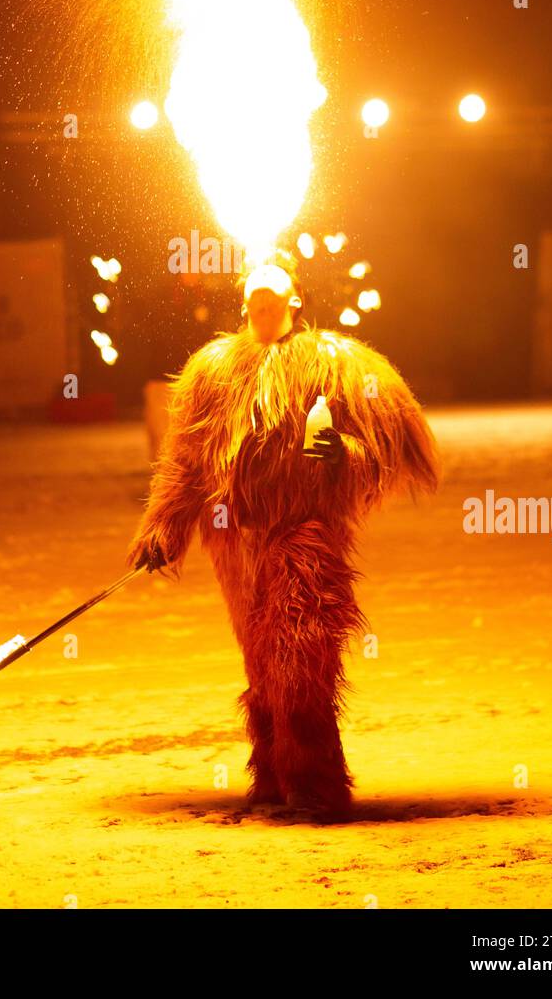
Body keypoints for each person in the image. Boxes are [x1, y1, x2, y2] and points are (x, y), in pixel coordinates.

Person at [127, 249, 439, 821]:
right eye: (256, 288)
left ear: (296, 299)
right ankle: (272, 772)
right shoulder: (211, 370)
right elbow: (186, 462)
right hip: (234, 537)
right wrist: (163, 529)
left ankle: (316, 784)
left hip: (305, 532)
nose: (264, 295)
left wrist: (343, 454)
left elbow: (401, 448)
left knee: (299, 656)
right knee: (260, 660)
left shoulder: (342, 364)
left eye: (276, 288)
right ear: (244, 299)